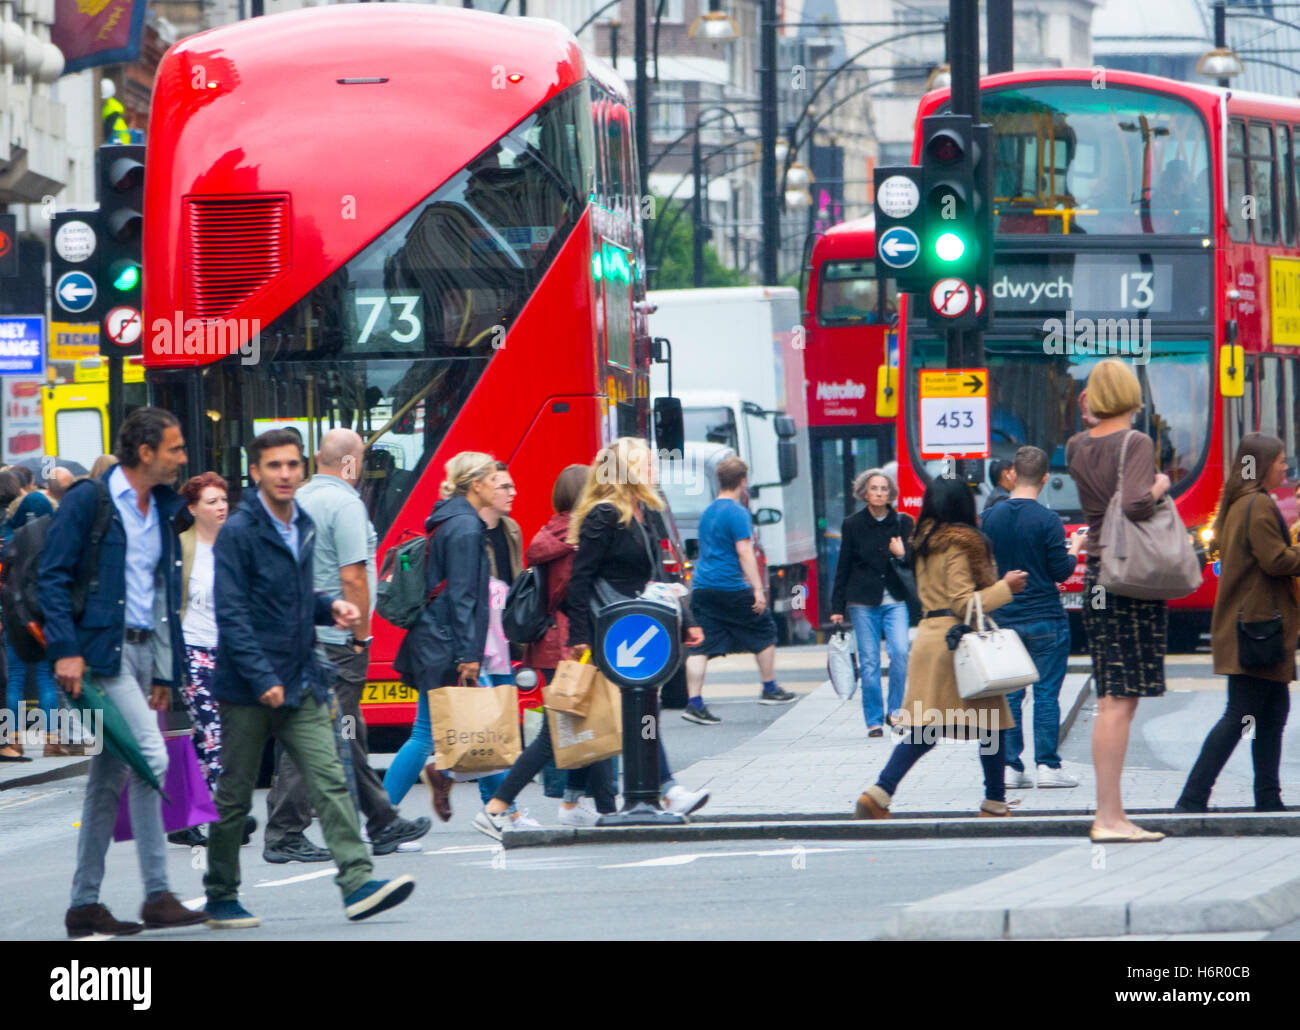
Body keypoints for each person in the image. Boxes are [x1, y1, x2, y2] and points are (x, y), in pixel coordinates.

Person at [205, 429, 415, 928]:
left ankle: (358, 882)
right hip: (249, 686)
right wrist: (261, 677)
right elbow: (232, 614)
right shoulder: (239, 531)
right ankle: (220, 894)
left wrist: (330, 605)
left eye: (292, 465)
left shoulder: (299, 521)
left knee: (328, 777)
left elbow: (297, 596)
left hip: (301, 678)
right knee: (233, 796)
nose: (284, 474)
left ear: (303, 469)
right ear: (255, 472)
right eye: (273, 466)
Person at [40, 408, 210, 938]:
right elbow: (51, 575)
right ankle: (157, 892)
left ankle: (84, 905)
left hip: (142, 655)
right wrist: (66, 650)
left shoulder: (160, 507)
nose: (183, 458)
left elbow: (160, 595)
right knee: (150, 757)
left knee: (108, 780)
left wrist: (165, 669)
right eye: (175, 449)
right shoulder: (89, 501)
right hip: (98, 659)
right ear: (145, 453)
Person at [491, 437, 710, 832]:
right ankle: (664, 789)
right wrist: (580, 639)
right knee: (604, 716)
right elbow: (580, 580)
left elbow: (659, 576)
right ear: (626, 469)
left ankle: (573, 804)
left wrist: (688, 617)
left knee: (586, 722)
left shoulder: (643, 512)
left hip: (637, 624)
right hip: (607, 632)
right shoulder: (602, 515)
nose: (654, 470)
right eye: (646, 464)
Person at [263, 429, 431, 860]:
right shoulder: (345, 504)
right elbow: (354, 575)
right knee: (316, 731)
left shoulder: (295, 501)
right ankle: (284, 831)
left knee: (346, 729)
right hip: (337, 639)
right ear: (351, 463)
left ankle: (382, 821)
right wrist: (361, 638)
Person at [854, 476, 1028, 820]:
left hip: (930, 639)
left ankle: (879, 793)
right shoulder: (962, 544)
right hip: (959, 645)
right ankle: (994, 803)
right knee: (992, 726)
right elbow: (963, 602)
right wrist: (1006, 587)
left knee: (928, 729)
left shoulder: (923, 543)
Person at [473, 465, 618, 834]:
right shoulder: (578, 538)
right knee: (555, 734)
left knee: (591, 723)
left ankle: (583, 805)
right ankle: (497, 806)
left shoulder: (553, 530)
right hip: (569, 642)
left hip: (556, 642)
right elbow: (575, 594)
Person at [1066, 358, 1172, 844]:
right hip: (1127, 579)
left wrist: (1089, 415)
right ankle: (1109, 817)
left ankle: (1110, 813)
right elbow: (1133, 504)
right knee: (1117, 703)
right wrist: (1160, 486)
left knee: (1111, 696)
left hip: (1096, 577)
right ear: (1131, 391)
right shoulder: (1137, 443)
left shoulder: (1075, 447)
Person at [1176, 434, 1300, 813]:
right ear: (1263, 465)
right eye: (1280, 461)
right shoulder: (1258, 505)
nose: (1285, 467)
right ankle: (1192, 798)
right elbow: (1276, 561)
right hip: (1258, 631)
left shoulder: (1241, 502)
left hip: (1256, 629)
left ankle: (1268, 797)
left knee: (1272, 714)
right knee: (1239, 717)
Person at [383, 452, 497, 821]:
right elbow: (464, 596)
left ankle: (500, 810)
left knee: (442, 732)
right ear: (476, 483)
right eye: (494, 478)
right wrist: (469, 654)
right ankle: (378, 819)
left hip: (434, 638)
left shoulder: (451, 519)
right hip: (447, 643)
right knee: (433, 735)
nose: (499, 485)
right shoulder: (465, 527)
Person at [981, 446, 1085, 789]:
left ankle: (1010, 767)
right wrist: (1075, 548)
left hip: (1005, 617)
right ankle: (1047, 766)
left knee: (1010, 695)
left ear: (1013, 474)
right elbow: (1060, 571)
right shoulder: (1049, 521)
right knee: (1045, 694)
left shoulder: (991, 517)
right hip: (1045, 618)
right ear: (1045, 478)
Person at [682, 457, 795, 725]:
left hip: (702, 587)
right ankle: (770, 688)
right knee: (765, 630)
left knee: (701, 647)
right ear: (743, 482)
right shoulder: (738, 512)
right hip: (729, 586)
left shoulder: (708, 511)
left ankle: (694, 703)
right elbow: (744, 552)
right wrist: (757, 589)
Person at [169, 471, 231, 848]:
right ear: (192, 509)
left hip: (228, 654)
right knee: (213, 735)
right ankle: (204, 815)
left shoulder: (235, 545)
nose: (221, 507)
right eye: (211, 502)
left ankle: (181, 816)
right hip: (192, 651)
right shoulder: (180, 548)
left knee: (203, 737)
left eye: (223, 500)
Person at [829, 468, 915, 737]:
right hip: (862, 601)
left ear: (891, 493)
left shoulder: (903, 522)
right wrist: (836, 607)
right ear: (864, 493)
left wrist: (902, 554)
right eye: (874, 488)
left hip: (895, 598)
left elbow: (915, 562)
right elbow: (843, 565)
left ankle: (896, 712)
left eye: (884, 489)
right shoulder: (852, 524)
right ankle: (874, 720)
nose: (879, 493)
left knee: (900, 653)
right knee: (869, 663)